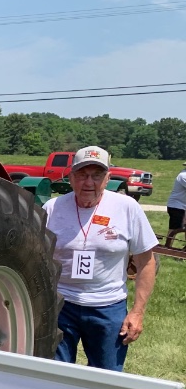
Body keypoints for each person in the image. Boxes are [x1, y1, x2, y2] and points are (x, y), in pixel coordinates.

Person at [43, 145, 158, 371]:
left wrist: (137, 312)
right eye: (82, 174)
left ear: (107, 178)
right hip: (61, 306)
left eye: (96, 175)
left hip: (108, 307)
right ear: (71, 177)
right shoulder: (53, 208)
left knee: (107, 377)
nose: (89, 182)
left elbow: (146, 261)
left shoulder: (127, 208)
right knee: (55, 374)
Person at [166, 161, 186, 247]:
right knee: (174, 228)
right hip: (176, 206)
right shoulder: (183, 175)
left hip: (182, 206)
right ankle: (168, 247)